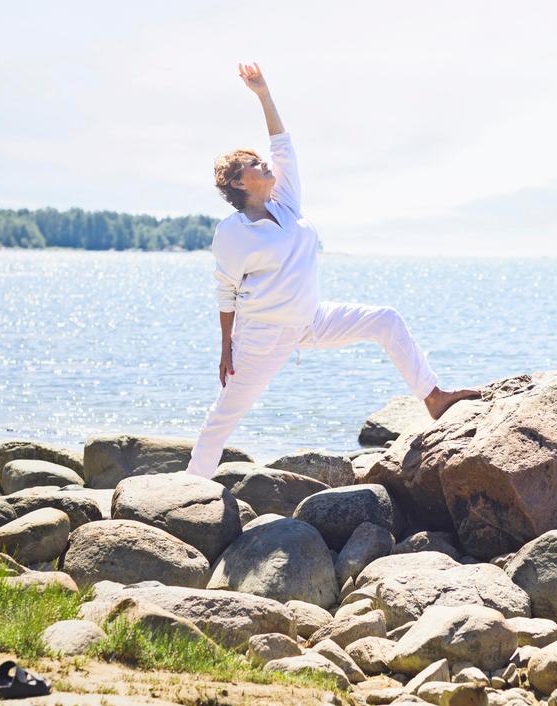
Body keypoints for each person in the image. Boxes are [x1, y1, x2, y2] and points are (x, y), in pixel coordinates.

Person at [186, 62, 481, 480]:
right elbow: (225, 291)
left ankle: (433, 397)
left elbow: (283, 146)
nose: (264, 162)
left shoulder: (286, 205)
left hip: (309, 321)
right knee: (225, 416)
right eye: (253, 163)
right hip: (263, 336)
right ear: (237, 183)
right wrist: (225, 346)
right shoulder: (233, 232)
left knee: (385, 320)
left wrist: (264, 93)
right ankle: (189, 489)